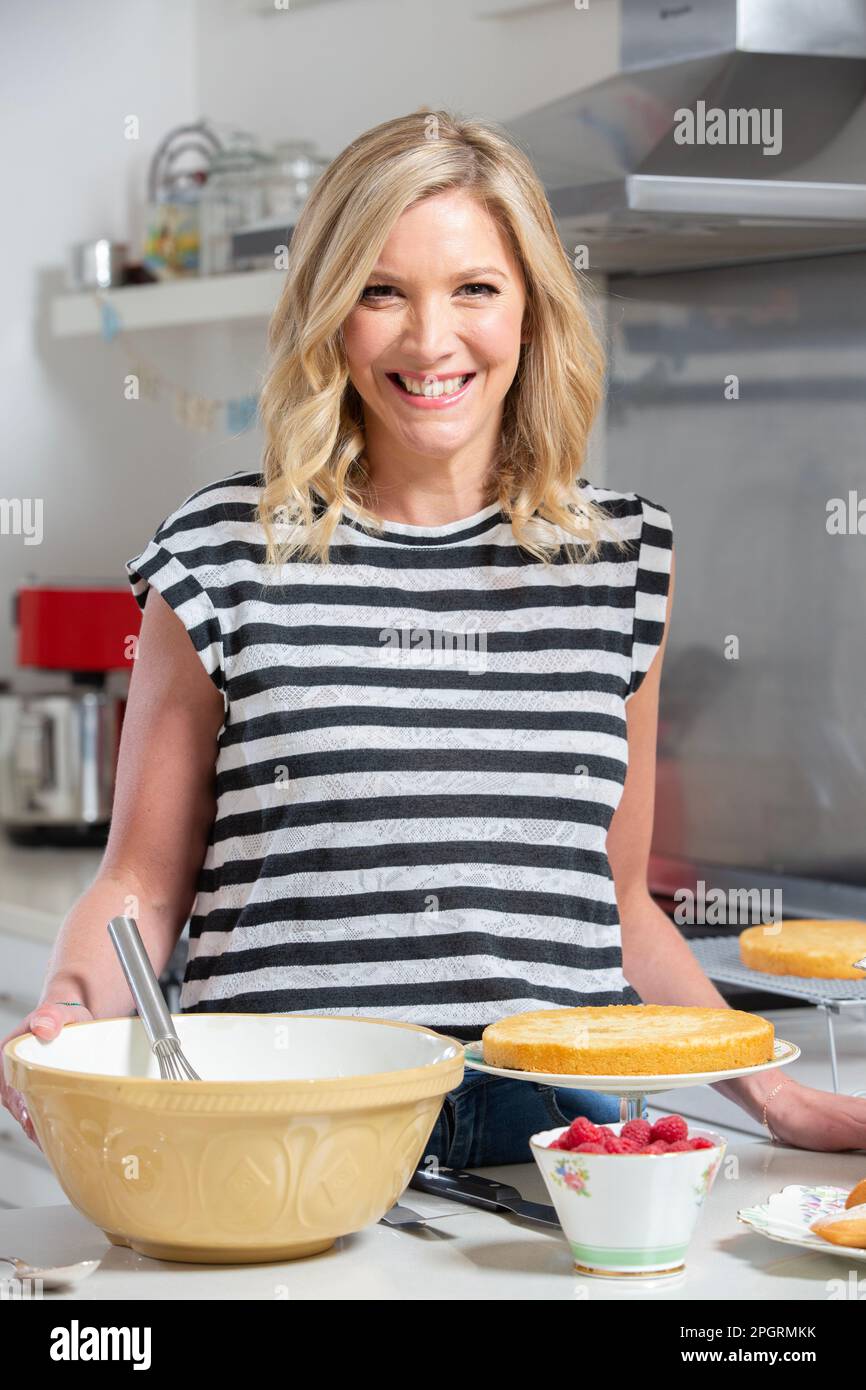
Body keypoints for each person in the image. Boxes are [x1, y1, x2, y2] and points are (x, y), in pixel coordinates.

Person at [3, 109, 864, 1167]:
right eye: (380, 290)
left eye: (472, 288)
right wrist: (67, 1011)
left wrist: (772, 1099)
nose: (429, 339)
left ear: (529, 310)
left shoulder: (621, 559)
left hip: (554, 1133)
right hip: (288, 1121)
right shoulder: (220, 552)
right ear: (331, 313)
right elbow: (138, 881)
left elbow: (616, 899)